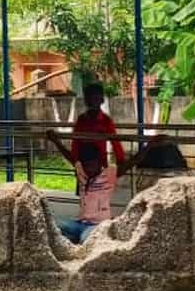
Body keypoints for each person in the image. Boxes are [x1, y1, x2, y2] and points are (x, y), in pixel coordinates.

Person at [44, 82, 137, 244]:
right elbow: (75, 143)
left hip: (98, 163)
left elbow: (115, 142)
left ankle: (96, 223)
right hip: (83, 163)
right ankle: (85, 221)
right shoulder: (82, 120)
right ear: (87, 100)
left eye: (96, 98)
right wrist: (76, 162)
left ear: (101, 100)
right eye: (90, 98)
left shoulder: (106, 121)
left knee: (98, 192)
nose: (93, 101)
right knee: (86, 195)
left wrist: (121, 162)